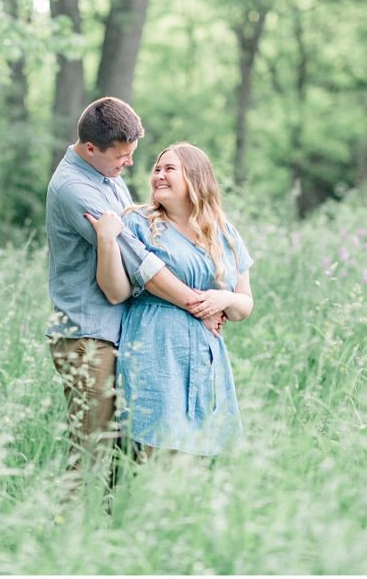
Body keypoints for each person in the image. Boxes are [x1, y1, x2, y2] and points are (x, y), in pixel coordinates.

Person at [45, 98, 226, 477]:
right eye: (122, 156)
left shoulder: (106, 174)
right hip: (88, 338)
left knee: (119, 462)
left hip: (118, 336)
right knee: (91, 456)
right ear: (91, 149)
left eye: (131, 154)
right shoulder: (75, 188)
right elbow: (138, 259)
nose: (129, 164)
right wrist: (198, 305)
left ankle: (112, 532)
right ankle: (72, 532)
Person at [84, 142, 253, 458]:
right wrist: (107, 240)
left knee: (201, 460)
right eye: (157, 169)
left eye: (169, 169)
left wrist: (222, 298)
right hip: (155, 348)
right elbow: (114, 289)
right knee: (158, 457)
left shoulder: (225, 234)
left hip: (206, 358)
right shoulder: (139, 222)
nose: (159, 176)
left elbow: (244, 305)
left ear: (195, 178)